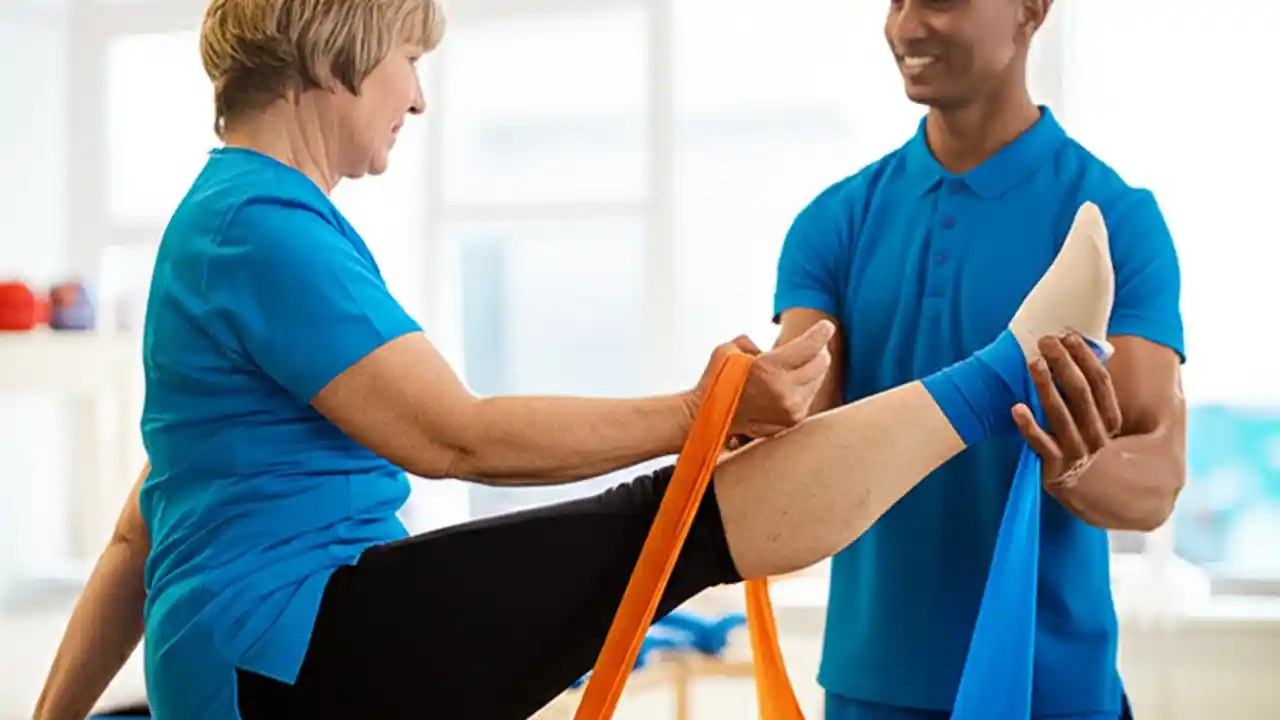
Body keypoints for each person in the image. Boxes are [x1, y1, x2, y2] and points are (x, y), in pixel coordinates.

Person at [33, 1, 1117, 718]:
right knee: (675, 521)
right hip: (296, 650)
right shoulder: (257, 224)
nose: (416, 95)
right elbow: (454, 435)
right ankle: (1002, 369)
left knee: (678, 520)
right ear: (340, 49)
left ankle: (997, 367)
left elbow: (145, 516)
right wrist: (706, 407)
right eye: (410, 58)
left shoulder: (233, 220)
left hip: (259, 651)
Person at [770, 1, 1187, 719]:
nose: (905, 27)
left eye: (938, 0)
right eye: (896, 1)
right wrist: (742, 411)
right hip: (872, 689)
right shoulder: (835, 222)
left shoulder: (1112, 218)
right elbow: (794, 435)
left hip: (1050, 690)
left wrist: (1078, 465)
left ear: (1031, 9)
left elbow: (1155, 480)